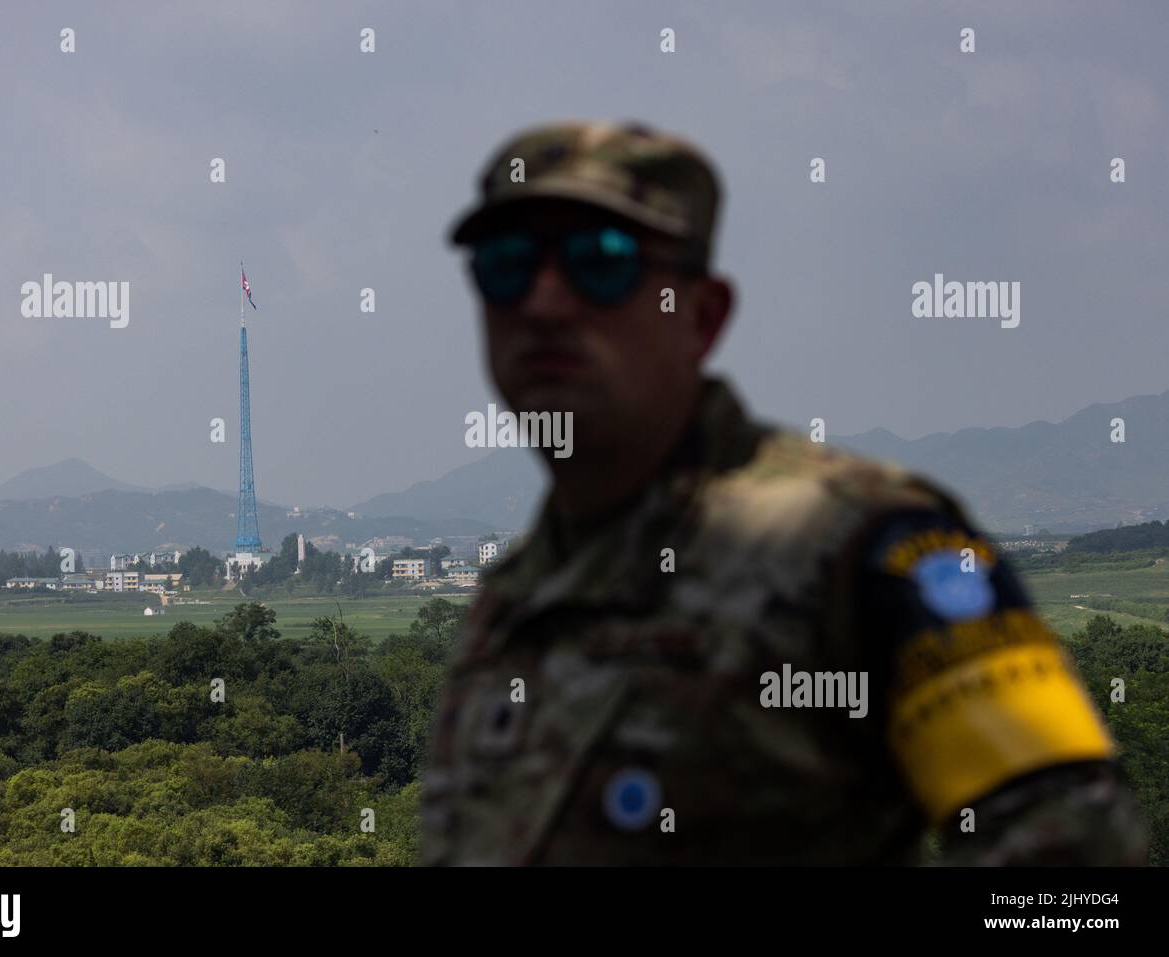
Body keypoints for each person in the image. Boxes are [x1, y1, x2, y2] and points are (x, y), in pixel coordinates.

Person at [421, 120, 1147, 865]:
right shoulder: (513, 598)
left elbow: (1079, 869)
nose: (543, 303)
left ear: (702, 315)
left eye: (599, 262)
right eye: (505, 264)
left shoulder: (862, 542)